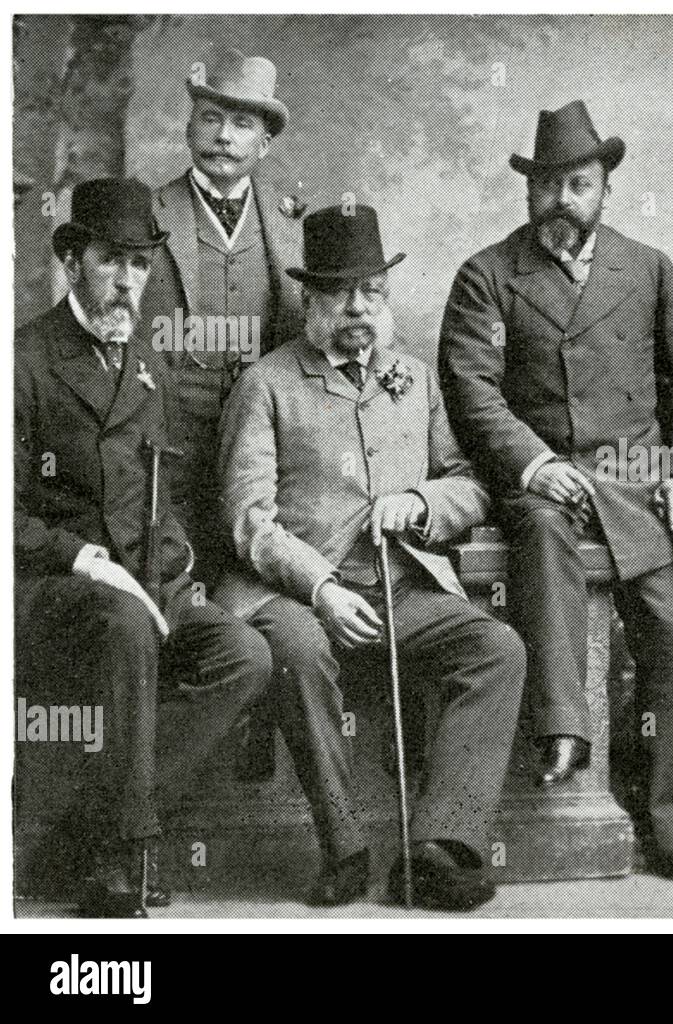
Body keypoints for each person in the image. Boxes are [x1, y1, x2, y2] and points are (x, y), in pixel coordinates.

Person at [438, 100, 673, 880]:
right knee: (538, 530)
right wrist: (532, 464)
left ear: (605, 188)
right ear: (528, 192)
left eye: (580, 184)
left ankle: (667, 820)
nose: (564, 201)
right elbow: (472, 389)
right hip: (542, 477)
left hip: (637, 480)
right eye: (549, 186)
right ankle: (563, 732)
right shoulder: (488, 276)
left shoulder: (649, 268)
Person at [217, 205, 526, 911]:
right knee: (295, 650)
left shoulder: (414, 380)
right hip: (296, 595)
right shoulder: (266, 384)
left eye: (373, 292)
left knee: (497, 648)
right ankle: (346, 848)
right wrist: (321, 587)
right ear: (309, 299)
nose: (360, 308)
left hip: (399, 590)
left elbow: (470, 485)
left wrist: (420, 502)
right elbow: (247, 520)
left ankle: (440, 848)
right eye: (342, 292)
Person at [16, 178, 273, 917]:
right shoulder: (24, 360)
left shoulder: (144, 365)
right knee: (126, 626)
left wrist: (177, 568)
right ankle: (126, 853)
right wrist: (88, 561)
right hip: (42, 583)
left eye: (139, 264)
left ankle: (91, 828)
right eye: (110, 261)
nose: (128, 280)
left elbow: (155, 498)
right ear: (72, 263)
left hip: (137, 583)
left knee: (242, 655)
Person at [140, 45, 304, 585]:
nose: (224, 137)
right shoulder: (148, 213)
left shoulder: (289, 224)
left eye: (241, 123)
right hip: (168, 452)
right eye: (210, 118)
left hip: (261, 459)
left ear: (265, 141)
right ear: (189, 129)